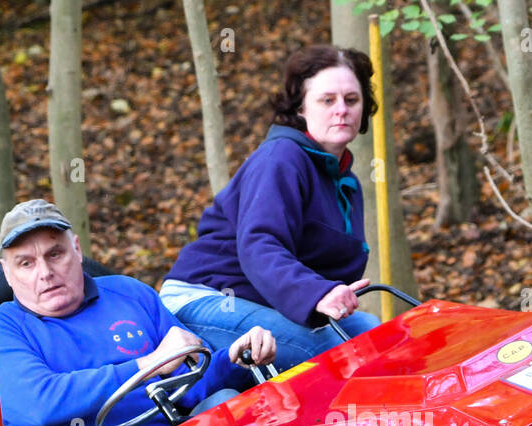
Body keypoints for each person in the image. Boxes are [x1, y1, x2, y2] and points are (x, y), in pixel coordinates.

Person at [0, 199, 277, 426]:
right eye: (26, 263)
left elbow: (190, 383)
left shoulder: (128, 293)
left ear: (77, 250)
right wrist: (149, 364)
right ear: (7, 272)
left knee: (229, 406)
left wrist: (234, 358)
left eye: (54, 254)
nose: (44, 272)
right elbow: (39, 402)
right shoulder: (0, 329)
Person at [160, 45, 382, 377]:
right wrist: (317, 293)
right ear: (301, 108)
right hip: (205, 298)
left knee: (377, 334)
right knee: (333, 355)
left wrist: (331, 297)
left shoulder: (346, 182)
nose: (341, 110)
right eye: (327, 100)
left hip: (266, 305)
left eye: (351, 100)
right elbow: (259, 245)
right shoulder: (281, 158)